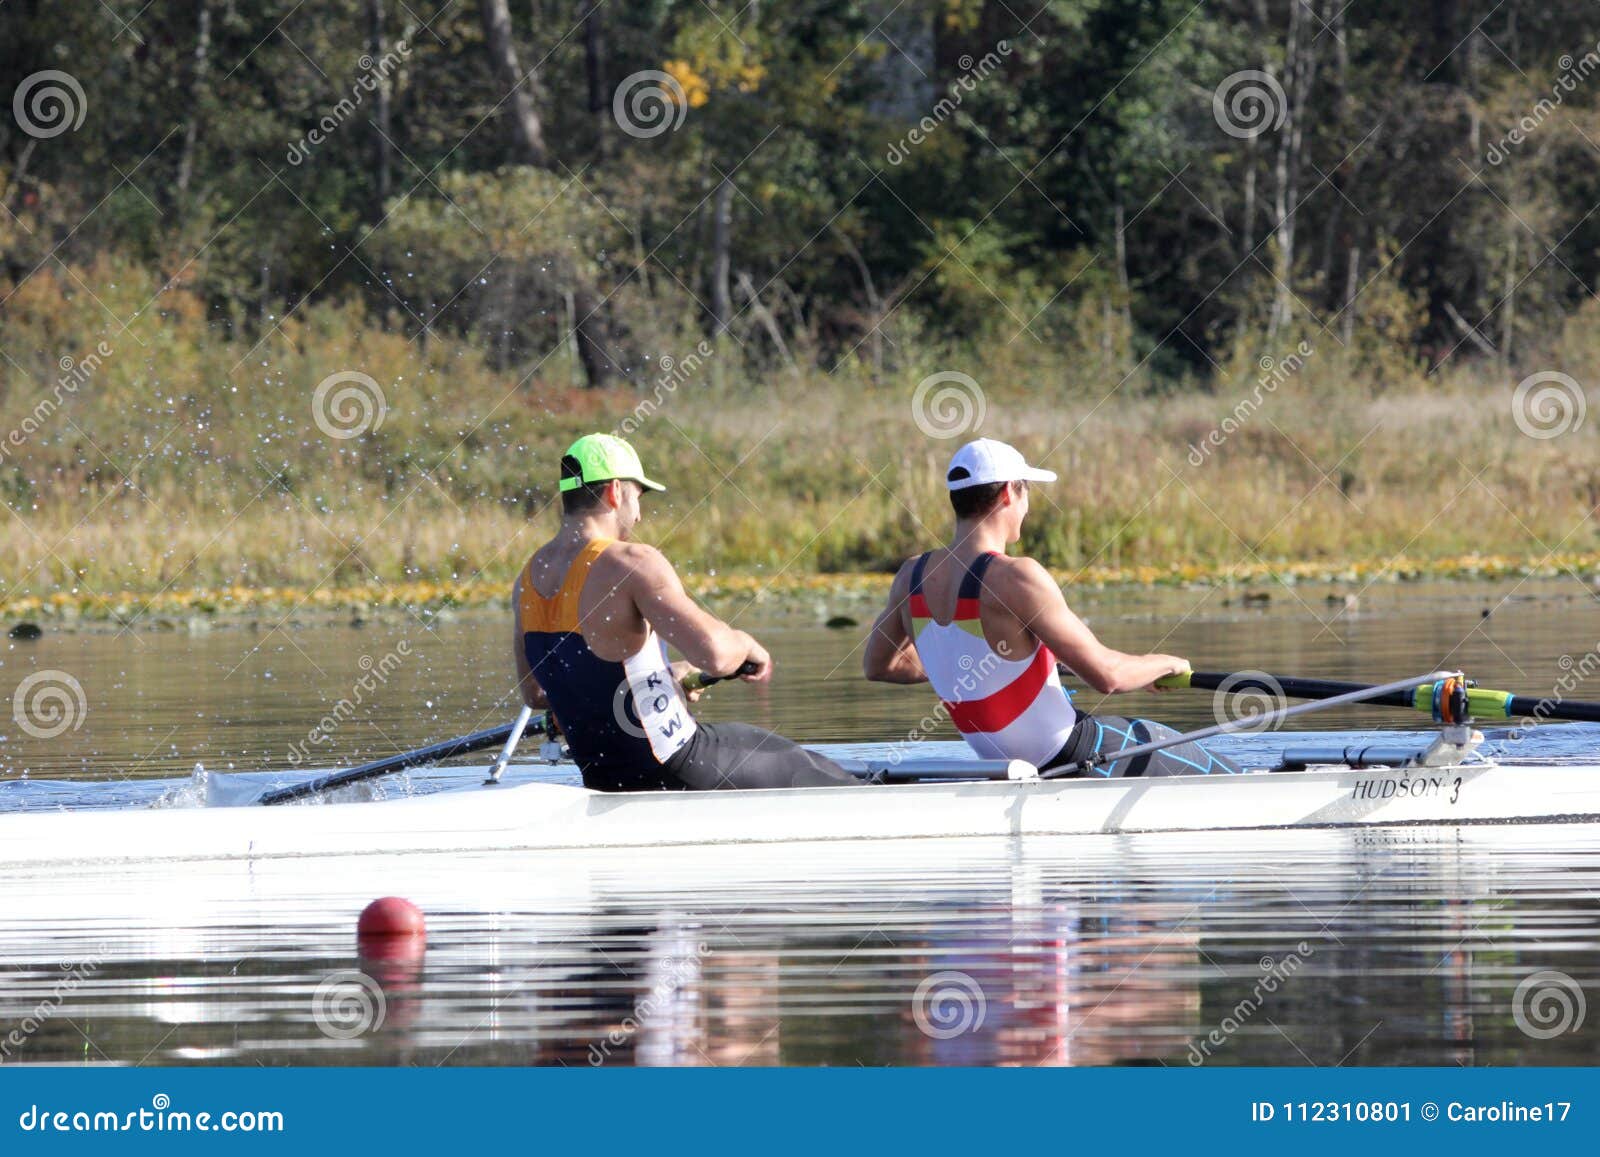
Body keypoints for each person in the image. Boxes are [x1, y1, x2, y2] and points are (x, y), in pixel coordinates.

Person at [863, 438, 1241, 777]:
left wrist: (974, 663)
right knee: (1223, 773)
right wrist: (1167, 663)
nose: (1027, 508)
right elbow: (1108, 676)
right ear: (1010, 493)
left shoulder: (910, 576)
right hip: (1074, 751)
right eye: (1027, 493)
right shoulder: (1017, 577)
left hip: (1002, 765)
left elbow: (880, 665)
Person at [514, 433, 858, 792]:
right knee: (805, 766)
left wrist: (661, 679)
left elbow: (538, 693)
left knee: (767, 748)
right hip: (678, 764)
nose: (639, 513)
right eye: (638, 497)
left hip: (605, 779)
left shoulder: (527, 578)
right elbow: (717, 656)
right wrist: (746, 644)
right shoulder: (632, 562)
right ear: (615, 492)